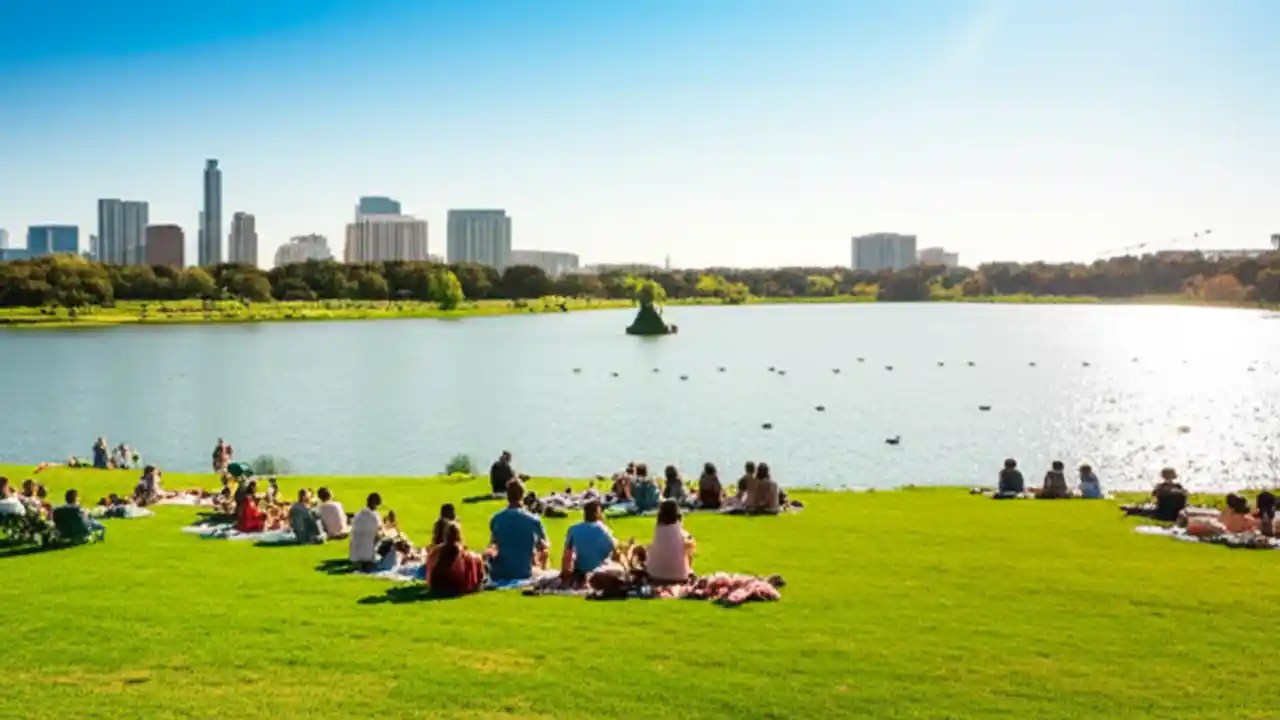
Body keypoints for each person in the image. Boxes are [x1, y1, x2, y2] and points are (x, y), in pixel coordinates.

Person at [487, 480, 549, 582]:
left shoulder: (496, 519)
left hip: (500, 572)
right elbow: (544, 546)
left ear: (507, 496)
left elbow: (493, 545)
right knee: (543, 549)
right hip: (524, 572)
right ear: (523, 496)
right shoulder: (533, 520)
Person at [428, 522, 485, 596]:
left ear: (445, 536)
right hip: (458, 587)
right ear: (460, 536)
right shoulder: (470, 556)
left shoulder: (435, 552)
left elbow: (429, 574)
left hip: (438, 587)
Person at [561, 500, 616, 578]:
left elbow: (567, 553)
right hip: (600, 571)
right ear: (598, 513)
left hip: (579, 571)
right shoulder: (603, 529)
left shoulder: (573, 529)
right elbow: (615, 550)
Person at [646, 499, 695, 584]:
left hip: (654, 575)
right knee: (689, 547)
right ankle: (687, 570)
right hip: (680, 577)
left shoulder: (658, 530)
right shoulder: (682, 533)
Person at [349, 492, 383, 569]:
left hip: (354, 555)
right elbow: (380, 534)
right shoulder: (375, 517)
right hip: (370, 555)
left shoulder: (358, 515)